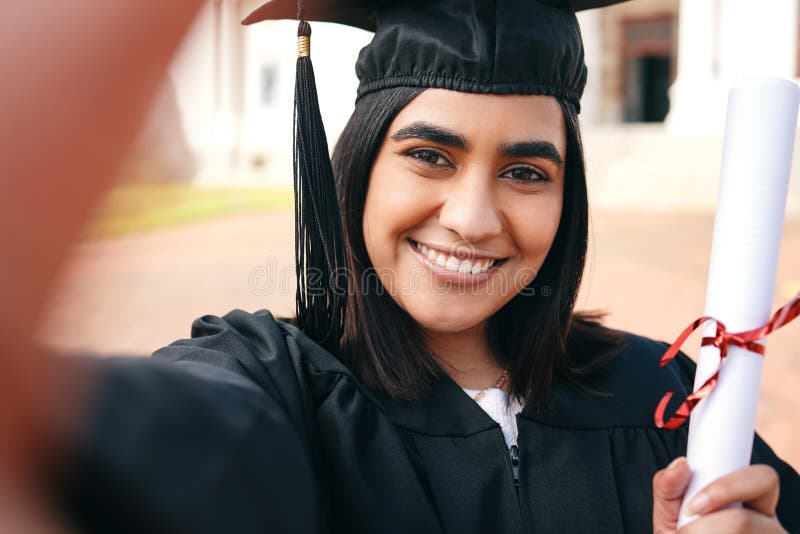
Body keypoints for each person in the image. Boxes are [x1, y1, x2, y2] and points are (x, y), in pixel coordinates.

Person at [51, 1, 799, 533]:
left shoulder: (665, 397)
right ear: (358, 168)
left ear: (568, 197)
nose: (472, 218)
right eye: (429, 156)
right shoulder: (278, 388)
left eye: (527, 172)